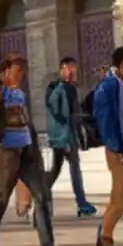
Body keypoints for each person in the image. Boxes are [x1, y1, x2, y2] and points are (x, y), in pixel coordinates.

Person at [0, 54, 58, 246]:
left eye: (23, 69)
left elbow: (26, 123)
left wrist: (35, 151)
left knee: (42, 196)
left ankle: (47, 245)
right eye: (17, 69)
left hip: (27, 155)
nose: (21, 73)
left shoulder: (21, 94)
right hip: (9, 156)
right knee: (1, 199)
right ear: (5, 72)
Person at [93, 46, 123, 246]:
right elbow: (105, 120)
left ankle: (104, 230)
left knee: (121, 197)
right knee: (121, 198)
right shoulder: (108, 87)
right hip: (120, 151)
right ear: (119, 65)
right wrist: (116, 148)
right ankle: (105, 237)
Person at [45, 56, 95, 218]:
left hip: (68, 136)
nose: (71, 72)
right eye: (68, 68)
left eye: (73, 69)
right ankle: (44, 197)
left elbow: (73, 112)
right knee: (64, 169)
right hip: (61, 137)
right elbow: (57, 113)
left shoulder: (70, 89)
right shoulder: (56, 89)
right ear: (61, 69)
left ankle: (43, 197)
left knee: (62, 170)